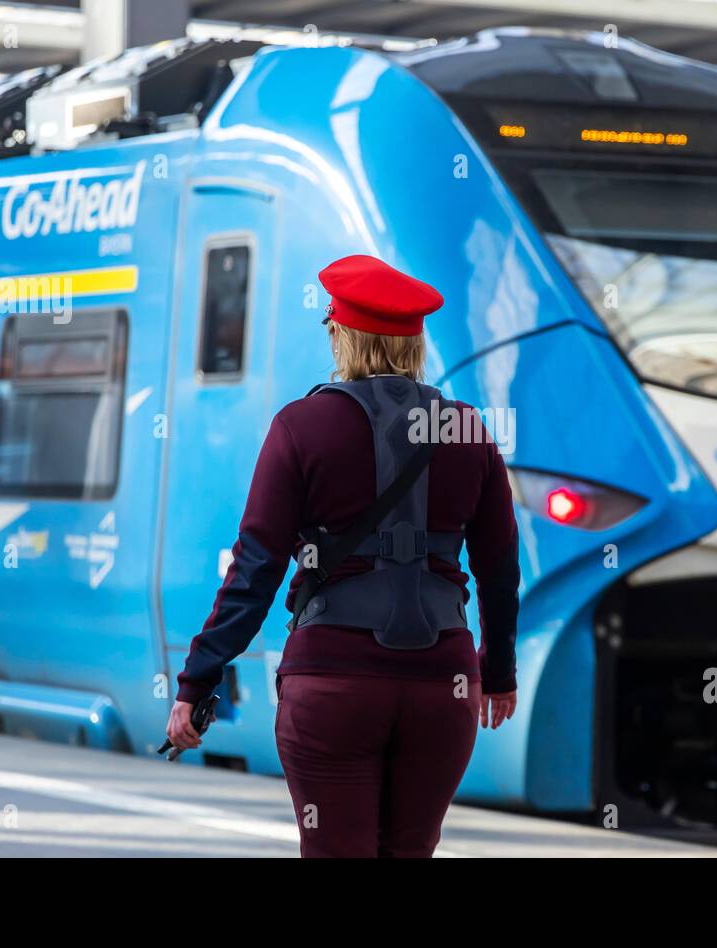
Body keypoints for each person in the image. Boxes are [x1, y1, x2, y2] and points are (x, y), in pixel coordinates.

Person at [166, 254, 521, 858]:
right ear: (414, 346)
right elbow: (500, 569)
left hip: (332, 686)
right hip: (444, 686)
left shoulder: (300, 428)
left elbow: (255, 569)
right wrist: (499, 673)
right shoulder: (470, 432)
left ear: (343, 336)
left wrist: (199, 678)